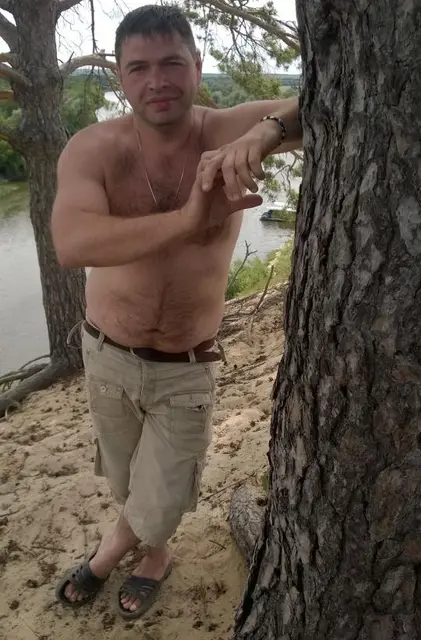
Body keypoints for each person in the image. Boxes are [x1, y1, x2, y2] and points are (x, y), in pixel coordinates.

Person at [52, 3, 302, 620]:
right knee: (126, 479)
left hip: (187, 363)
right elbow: (72, 244)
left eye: (172, 63)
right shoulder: (94, 148)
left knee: (161, 492)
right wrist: (188, 220)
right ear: (119, 76)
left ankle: (108, 555)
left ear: (197, 63)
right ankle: (155, 556)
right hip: (107, 354)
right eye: (139, 68)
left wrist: (268, 131)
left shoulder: (227, 129)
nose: (157, 81)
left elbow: (330, 103)